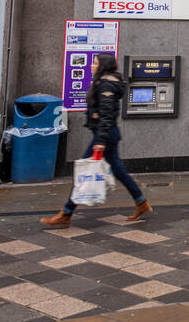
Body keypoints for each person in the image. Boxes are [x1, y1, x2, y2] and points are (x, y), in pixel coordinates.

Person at [42, 52, 149, 227]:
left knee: (83, 173)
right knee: (119, 171)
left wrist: (100, 141)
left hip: (104, 136)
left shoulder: (106, 86)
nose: (92, 65)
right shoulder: (104, 83)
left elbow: (106, 116)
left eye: (96, 63)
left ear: (103, 66)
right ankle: (141, 202)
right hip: (107, 134)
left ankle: (66, 212)